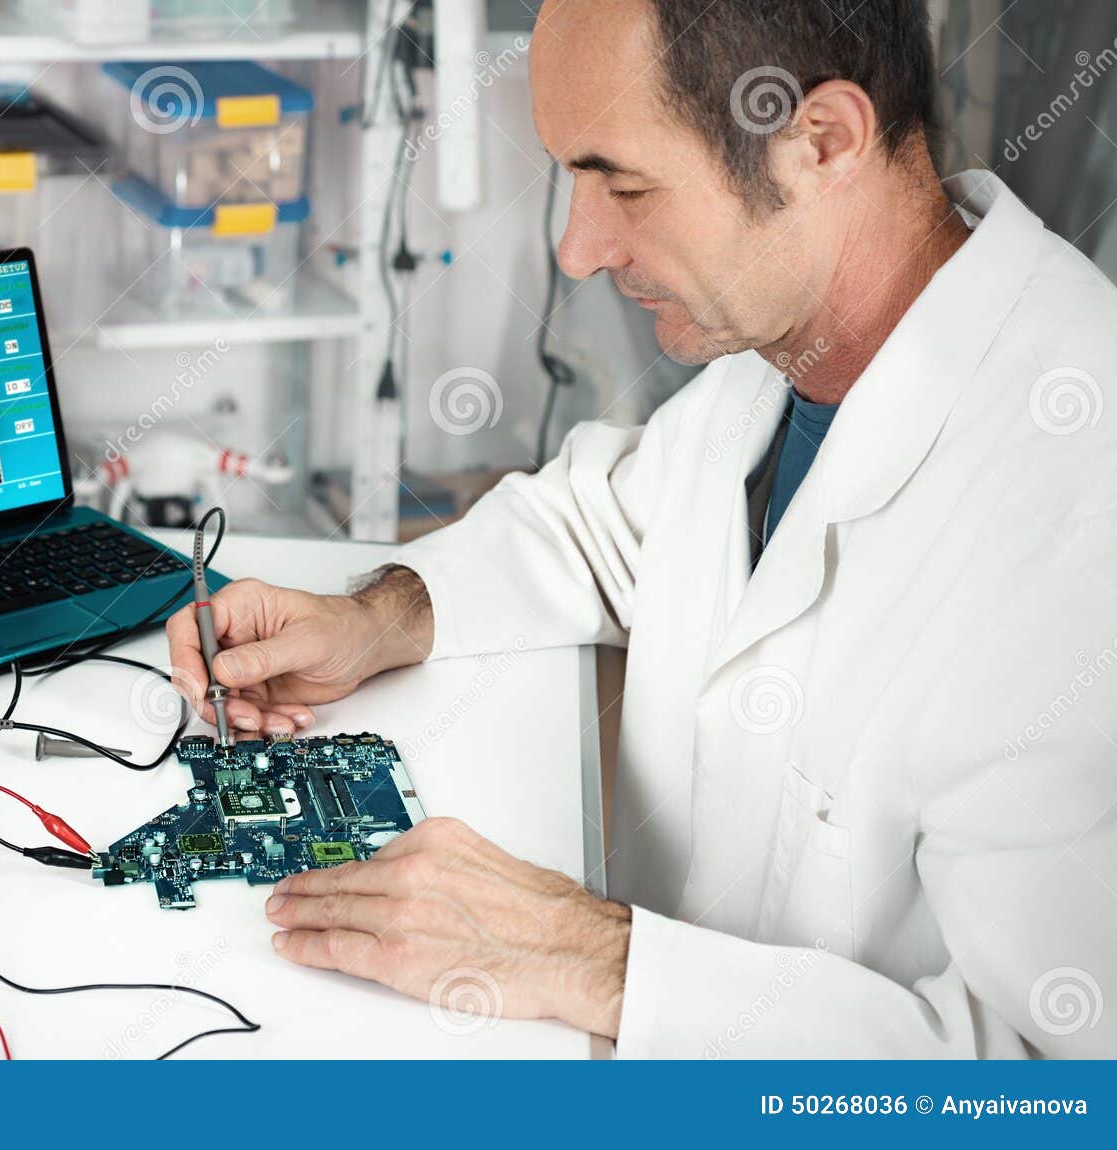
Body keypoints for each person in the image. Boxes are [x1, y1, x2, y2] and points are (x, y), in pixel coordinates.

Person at [166, 0, 1117, 1057]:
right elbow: (607, 518)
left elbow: (1055, 1079)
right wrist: (374, 616)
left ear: (821, 142)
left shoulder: (1076, 510)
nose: (577, 249)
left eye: (620, 182)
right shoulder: (790, 354)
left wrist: (591, 958)